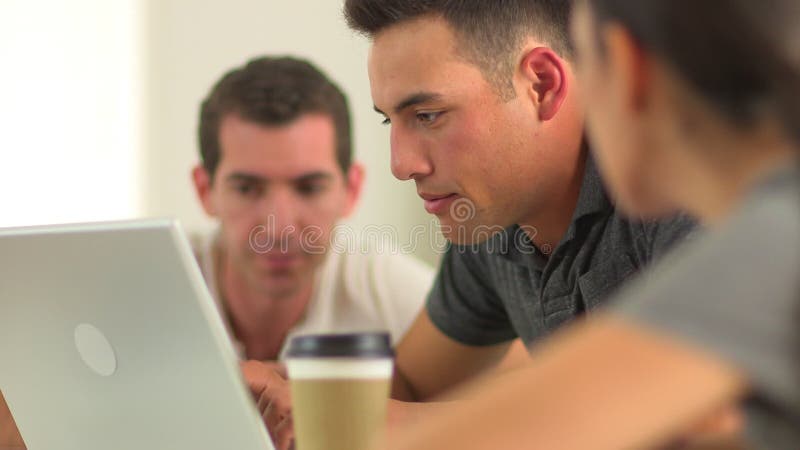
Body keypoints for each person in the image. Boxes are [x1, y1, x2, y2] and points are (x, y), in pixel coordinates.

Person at [243, 2, 698, 447]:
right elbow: (415, 385)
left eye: (427, 116)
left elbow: (683, 414)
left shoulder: (685, 189)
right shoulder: (490, 216)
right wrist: (296, 391)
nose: (401, 165)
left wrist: (388, 423)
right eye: (390, 120)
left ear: (541, 84)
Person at [380, 0, 800, 448]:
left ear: (625, 64)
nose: (400, 165)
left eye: (583, 60)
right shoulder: (493, 218)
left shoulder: (776, 233)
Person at [191, 56, 434, 363]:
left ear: (352, 189)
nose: (280, 228)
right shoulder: (141, 296)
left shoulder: (402, 299)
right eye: (247, 189)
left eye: (309, 188)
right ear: (204, 191)